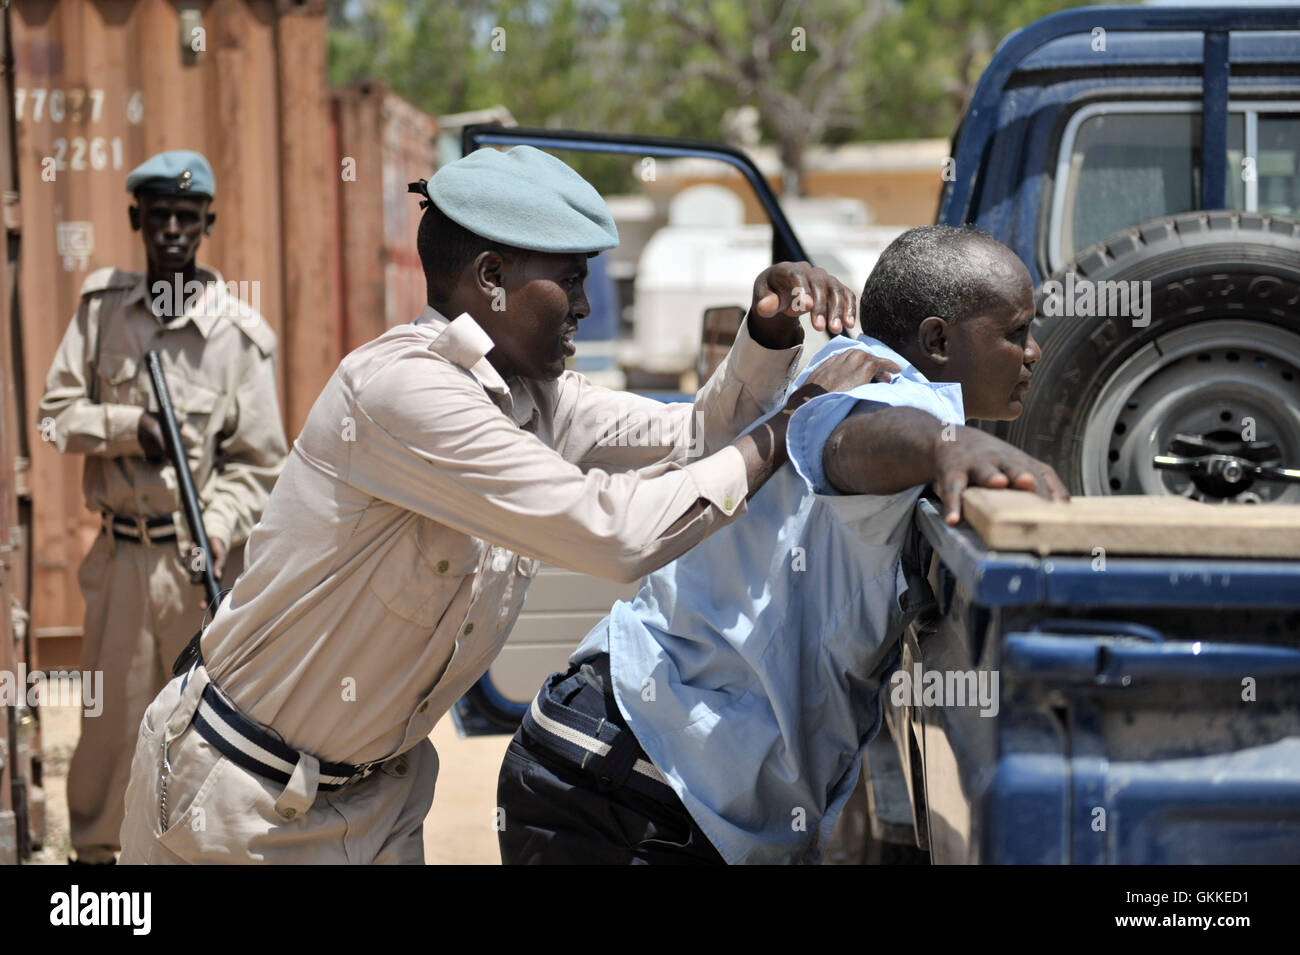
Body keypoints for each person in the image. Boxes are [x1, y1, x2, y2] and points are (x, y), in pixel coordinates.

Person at [117, 145, 893, 864]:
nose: (587, 306)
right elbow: (618, 534)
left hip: (375, 800)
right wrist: (795, 421)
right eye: (573, 278)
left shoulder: (534, 396)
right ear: (491, 277)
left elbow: (694, 434)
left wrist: (767, 331)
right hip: (239, 800)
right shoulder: (405, 390)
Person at [497, 225, 1070, 864]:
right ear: (937, 340)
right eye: (1016, 331)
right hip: (626, 791)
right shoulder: (887, 392)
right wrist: (946, 445)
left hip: (624, 763)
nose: (1034, 351)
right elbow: (847, 441)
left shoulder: (840, 365)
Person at [38, 149, 288, 864]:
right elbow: (52, 416)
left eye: (186, 216)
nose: (173, 228)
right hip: (119, 561)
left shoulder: (240, 339)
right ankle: (96, 867)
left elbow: (260, 465)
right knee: (109, 729)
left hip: (198, 567)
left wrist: (213, 528)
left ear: (206, 222)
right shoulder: (101, 314)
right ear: (136, 221)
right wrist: (129, 428)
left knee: (200, 733)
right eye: (159, 216)